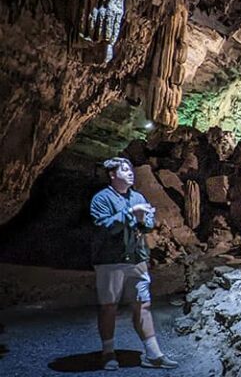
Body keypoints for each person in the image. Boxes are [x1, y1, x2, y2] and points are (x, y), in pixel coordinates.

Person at [90, 157, 178, 370]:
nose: (131, 173)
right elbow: (104, 226)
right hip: (111, 260)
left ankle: (153, 353)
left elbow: (147, 224)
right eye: (125, 170)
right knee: (109, 307)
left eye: (131, 170)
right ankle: (108, 352)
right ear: (112, 174)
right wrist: (130, 214)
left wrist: (143, 218)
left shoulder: (137, 196)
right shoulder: (101, 199)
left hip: (137, 258)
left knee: (143, 305)